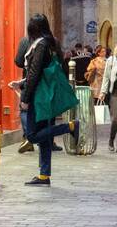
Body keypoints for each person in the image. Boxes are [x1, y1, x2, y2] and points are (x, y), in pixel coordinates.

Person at [16, 13, 78, 186]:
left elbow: (34, 73)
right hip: (45, 93)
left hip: (38, 96)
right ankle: (44, 175)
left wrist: (25, 98)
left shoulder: (40, 45)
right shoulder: (50, 43)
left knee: (32, 135)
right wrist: (21, 83)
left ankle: (70, 126)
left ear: (32, 28)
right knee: (43, 136)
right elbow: (41, 73)